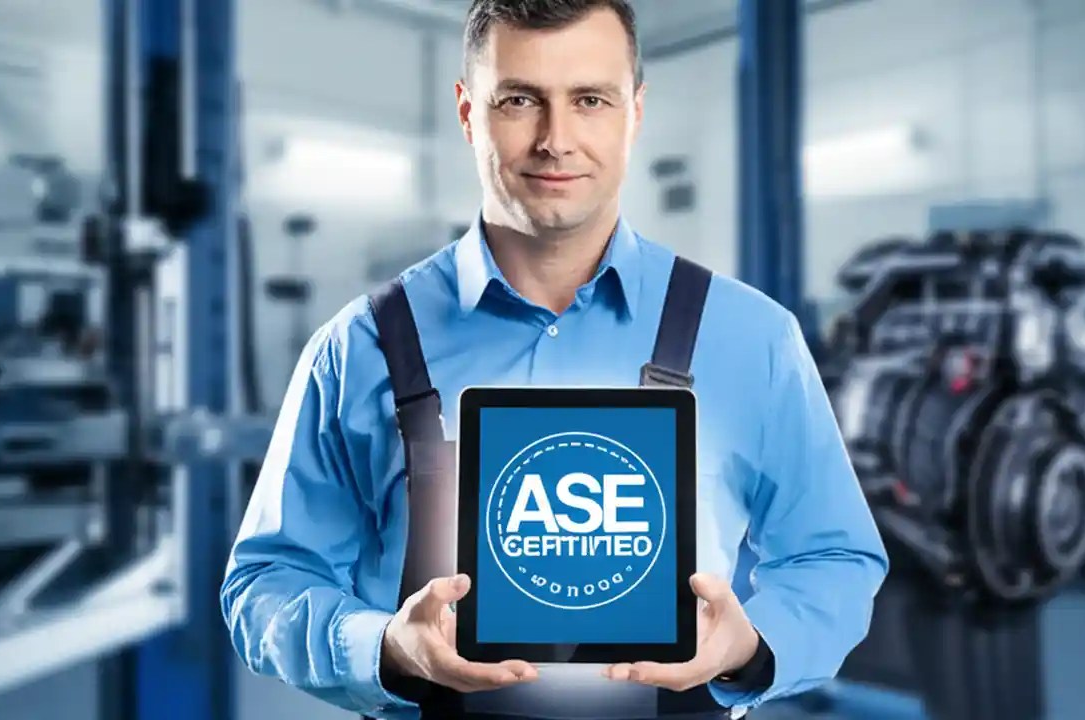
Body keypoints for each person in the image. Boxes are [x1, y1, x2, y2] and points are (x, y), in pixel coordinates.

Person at [220, 1, 888, 718]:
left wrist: (751, 646)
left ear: (634, 112)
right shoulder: (361, 346)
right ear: (468, 112)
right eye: (519, 100)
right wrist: (385, 645)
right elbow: (266, 582)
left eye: (590, 100)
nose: (555, 140)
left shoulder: (751, 338)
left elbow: (836, 558)